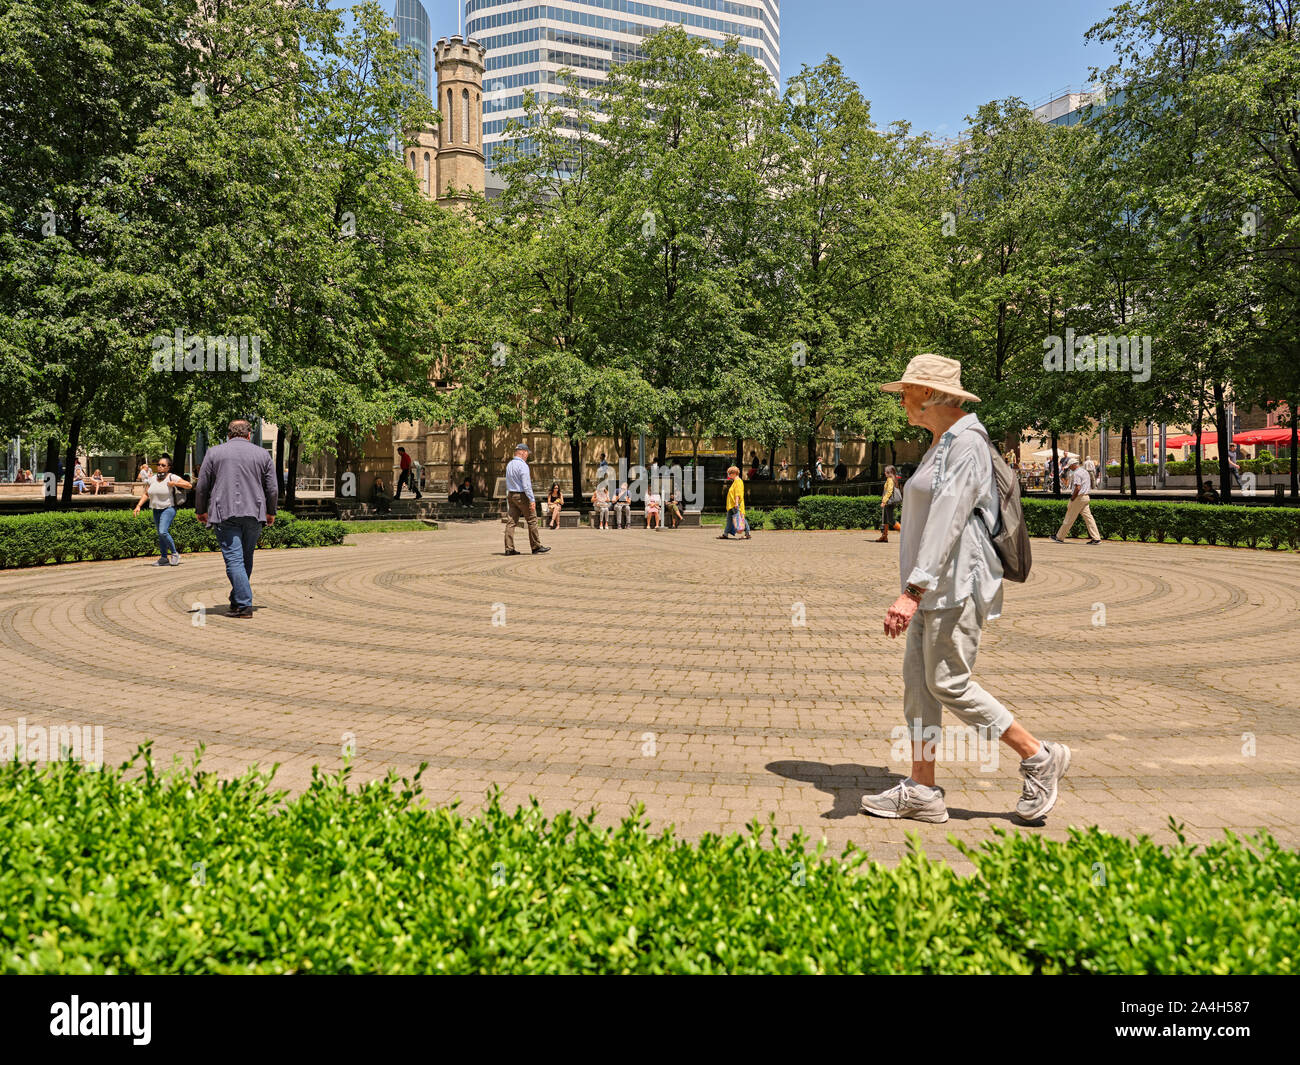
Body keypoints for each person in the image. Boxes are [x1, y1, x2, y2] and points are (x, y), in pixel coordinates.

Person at [861, 353, 1070, 825]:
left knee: (948, 681)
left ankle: (1038, 755)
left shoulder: (967, 443)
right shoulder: (942, 442)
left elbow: (948, 518)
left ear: (932, 395)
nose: (903, 401)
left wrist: (911, 591)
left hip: (954, 586)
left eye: (908, 392)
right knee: (920, 688)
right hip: (932, 588)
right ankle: (922, 788)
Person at [195, 420, 278, 617]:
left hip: (225, 512)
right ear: (249, 435)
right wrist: (271, 511)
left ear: (229, 435)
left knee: (234, 559)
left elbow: (202, 485)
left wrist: (200, 510)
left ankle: (244, 605)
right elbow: (273, 488)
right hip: (254, 512)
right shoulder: (262, 454)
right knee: (245, 559)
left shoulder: (214, 452)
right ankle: (237, 599)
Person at [133, 454, 191, 567]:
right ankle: (163, 558)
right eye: (158, 464)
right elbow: (146, 494)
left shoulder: (171, 477)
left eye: (163, 465)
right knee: (160, 534)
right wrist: (138, 506)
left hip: (168, 508)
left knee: (163, 531)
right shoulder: (153, 478)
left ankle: (174, 553)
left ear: (168, 467)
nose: (159, 466)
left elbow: (188, 485)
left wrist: (175, 484)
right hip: (156, 509)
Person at [504, 443, 547, 555]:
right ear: (522, 452)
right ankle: (536, 546)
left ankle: (509, 548)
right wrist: (532, 499)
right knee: (532, 520)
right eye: (527, 453)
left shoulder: (509, 464)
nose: (527, 455)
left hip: (511, 495)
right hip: (522, 495)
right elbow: (526, 485)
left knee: (511, 522)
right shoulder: (523, 466)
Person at [1050, 457, 1102, 545]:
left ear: (1074, 465)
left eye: (1070, 466)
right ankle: (1096, 538)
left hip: (1079, 497)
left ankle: (1059, 537)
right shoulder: (1084, 471)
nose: (1069, 468)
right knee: (1089, 519)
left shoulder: (1076, 473)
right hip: (1086, 497)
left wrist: (1072, 498)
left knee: (1069, 518)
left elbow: (1078, 487)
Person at [718, 465, 751, 540]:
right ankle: (725, 534)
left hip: (735, 504)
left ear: (734, 473)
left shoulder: (738, 481)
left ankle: (747, 533)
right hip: (731, 505)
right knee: (729, 519)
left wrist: (736, 503)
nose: (728, 475)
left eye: (729, 473)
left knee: (741, 518)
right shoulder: (735, 481)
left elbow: (737, 493)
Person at [876, 465, 901, 543]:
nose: (884, 473)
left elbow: (889, 491)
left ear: (889, 473)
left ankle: (904, 533)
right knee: (885, 519)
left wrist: (884, 501)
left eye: (886, 472)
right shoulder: (891, 479)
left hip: (889, 502)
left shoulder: (890, 480)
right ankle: (884, 536)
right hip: (888, 502)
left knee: (890, 520)